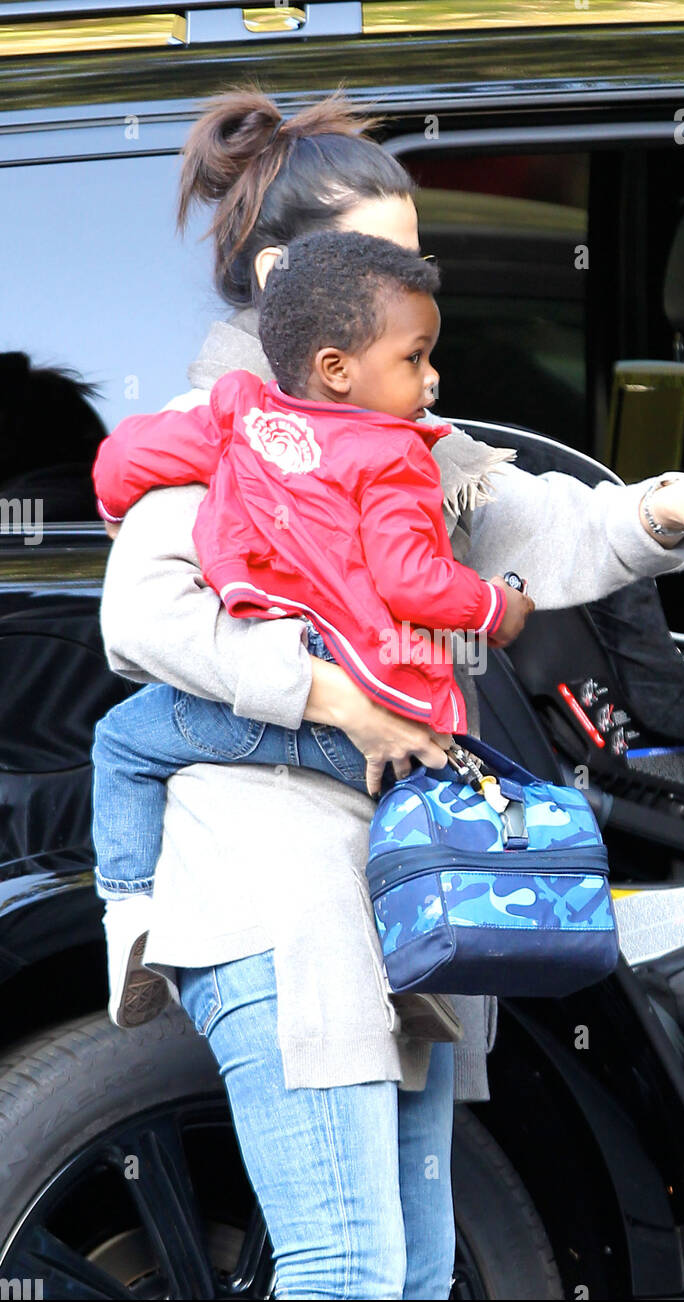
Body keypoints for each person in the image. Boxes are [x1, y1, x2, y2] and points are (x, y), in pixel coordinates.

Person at [97, 85, 684, 1300]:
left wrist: (662, 505)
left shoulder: (409, 446)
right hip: (288, 906)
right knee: (346, 1268)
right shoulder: (221, 433)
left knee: (418, 1269)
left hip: (405, 910)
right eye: (384, 259)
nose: (418, 288)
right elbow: (146, 615)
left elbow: (536, 516)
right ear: (291, 281)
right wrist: (337, 702)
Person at [90, 229, 532, 1032]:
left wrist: (117, 511)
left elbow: (126, 456)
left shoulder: (237, 415)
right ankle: (414, 967)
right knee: (401, 818)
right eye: (416, 358)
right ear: (337, 369)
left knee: (122, 744)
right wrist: (496, 607)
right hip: (387, 696)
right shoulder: (395, 454)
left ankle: (130, 918)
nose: (433, 378)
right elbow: (413, 580)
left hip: (318, 696)